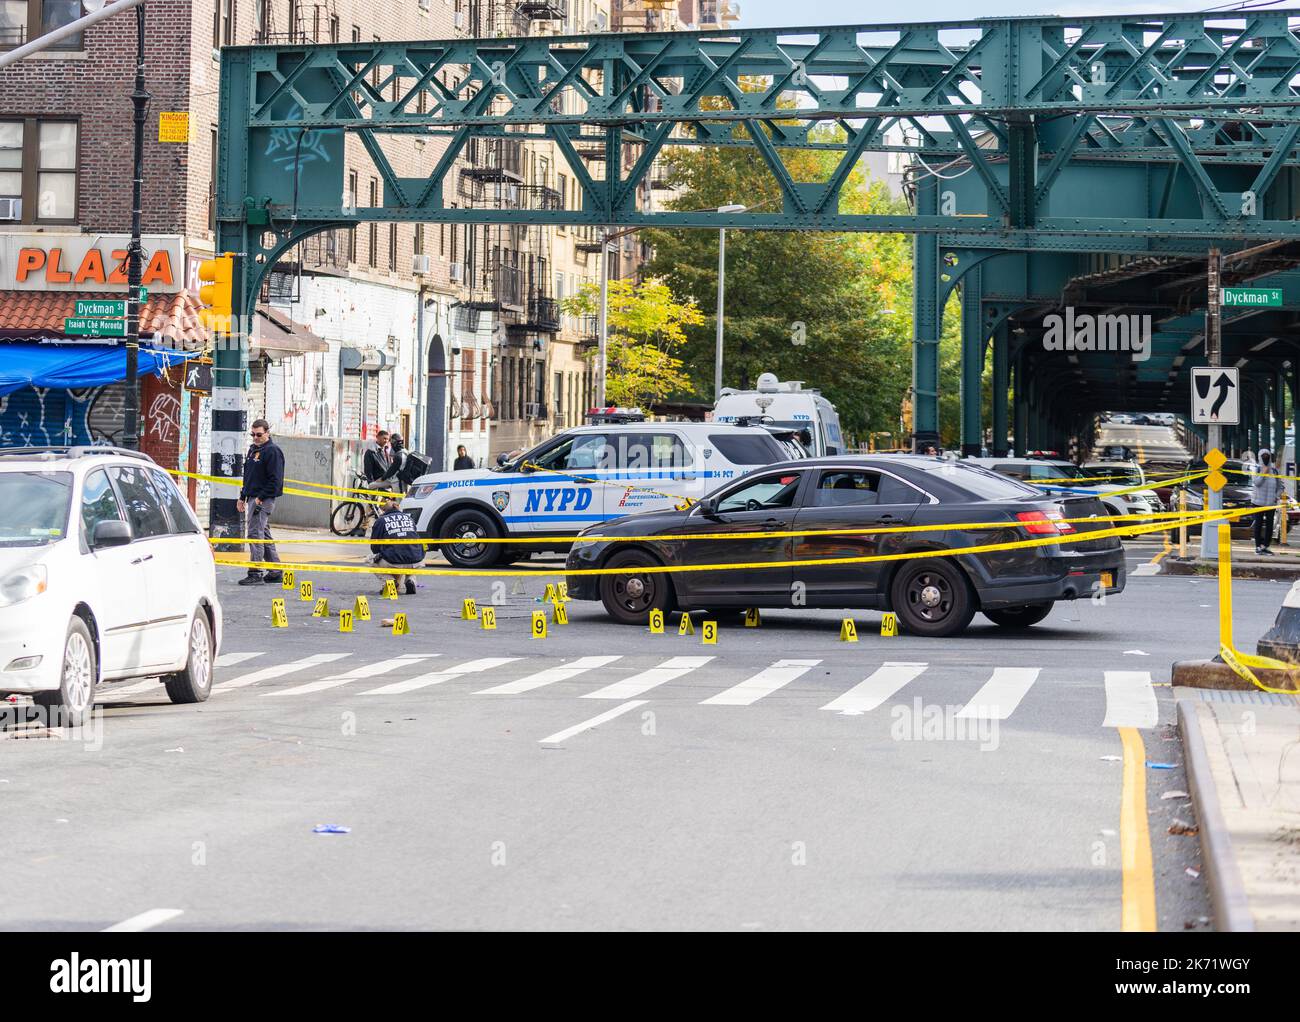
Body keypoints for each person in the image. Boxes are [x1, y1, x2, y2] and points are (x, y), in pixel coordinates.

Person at [238, 419, 285, 586]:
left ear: (267, 433)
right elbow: (248, 476)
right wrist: (242, 496)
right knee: (263, 533)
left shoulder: (272, 451)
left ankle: (256, 572)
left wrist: (260, 497)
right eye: (253, 434)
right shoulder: (253, 450)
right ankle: (275, 571)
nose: (255, 437)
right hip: (252, 496)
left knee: (254, 533)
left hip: (263, 500)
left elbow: (275, 481)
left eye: (259, 434)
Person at [369, 496, 423, 595]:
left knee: (370, 559)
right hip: (416, 559)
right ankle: (410, 580)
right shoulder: (409, 518)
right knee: (410, 561)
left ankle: (389, 581)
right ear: (397, 507)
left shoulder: (381, 521)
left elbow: (374, 546)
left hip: (394, 561)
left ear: (383, 510)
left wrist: (382, 552)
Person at [1251, 448, 1284, 555]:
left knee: (1270, 525)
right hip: (1258, 502)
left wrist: (1276, 496)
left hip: (1271, 503)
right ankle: (1258, 546)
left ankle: (1265, 546)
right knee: (1258, 525)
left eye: (1267, 456)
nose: (1265, 458)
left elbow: (1281, 486)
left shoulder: (1275, 471)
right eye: (1263, 456)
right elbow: (1257, 483)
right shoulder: (1256, 469)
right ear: (1260, 457)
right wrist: (1263, 473)